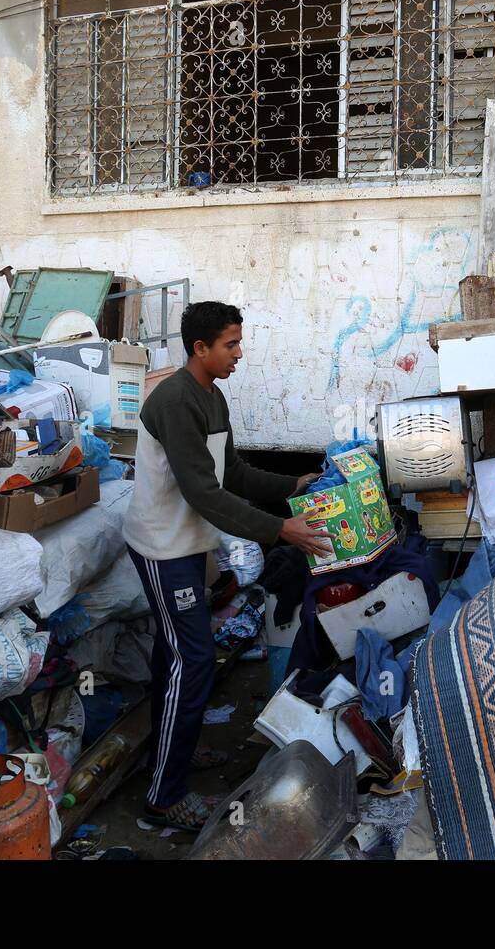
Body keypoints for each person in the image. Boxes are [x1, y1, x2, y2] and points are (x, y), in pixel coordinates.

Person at [123, 300, 332, 831]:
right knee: (192, 660)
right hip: (162, 548)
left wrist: (293, 486)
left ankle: (172, 749)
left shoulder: (212, 397)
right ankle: (162, 800)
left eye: (239, 343)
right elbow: (202, 492)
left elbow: (232, 472)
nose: (239, 354)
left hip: (189, 546)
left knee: (177, 656)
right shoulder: (175, 402)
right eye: (230, 345)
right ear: (200, 348)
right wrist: (280, 528)